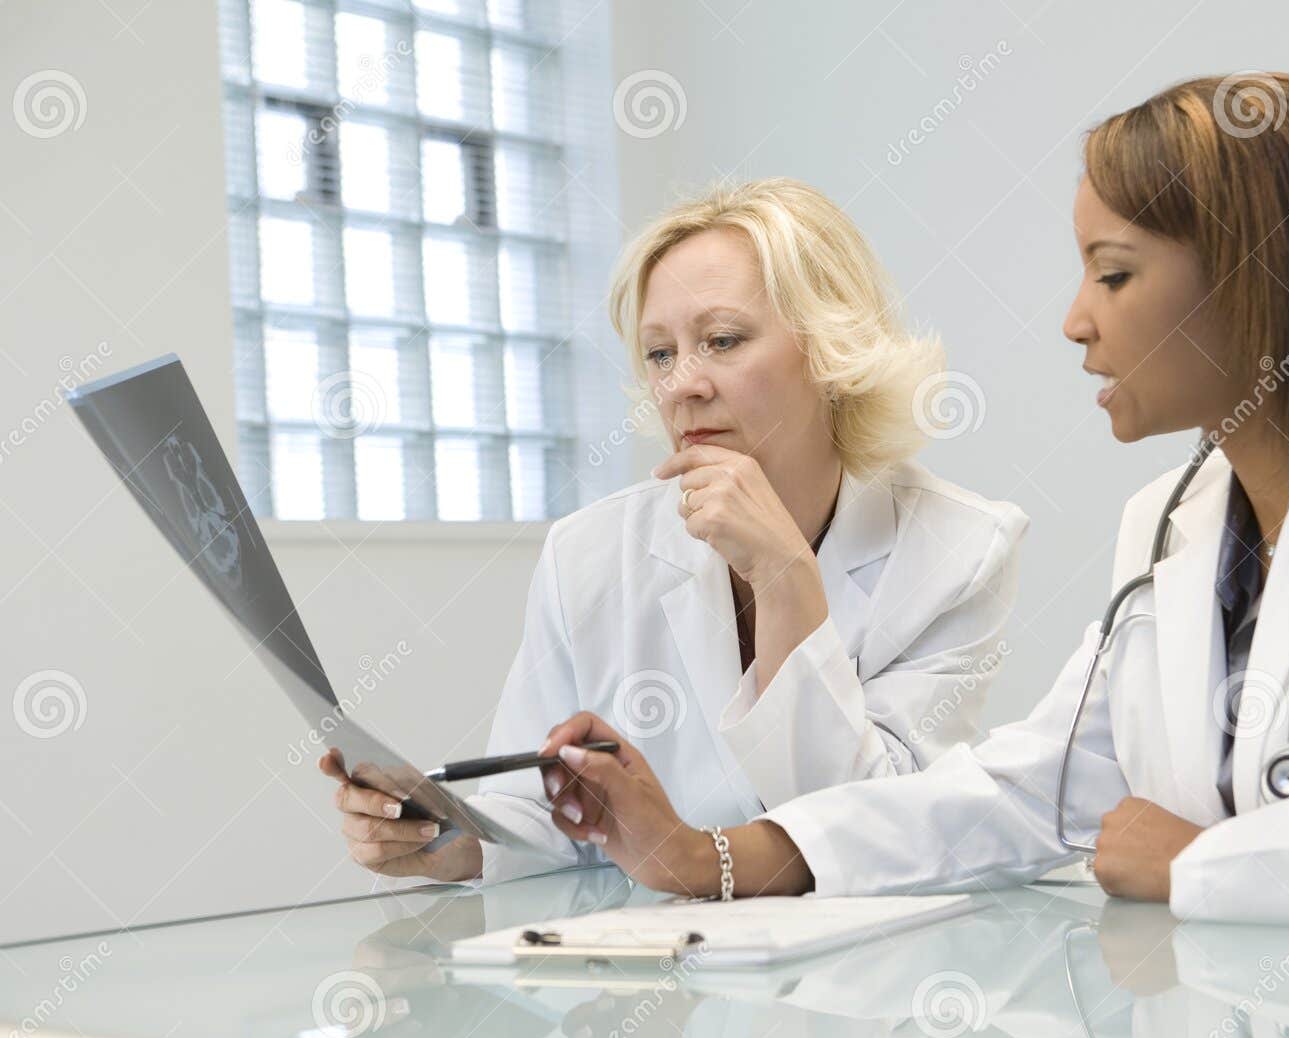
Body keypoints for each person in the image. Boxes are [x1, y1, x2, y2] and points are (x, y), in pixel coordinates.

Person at [528, 75, 1289, 930]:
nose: (1074, 321)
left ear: (1256, 278)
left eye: (1113, 273)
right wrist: (702, 857)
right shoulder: (1171, 527)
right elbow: (1016, 791)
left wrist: (1196, 862)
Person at [321, 178, 1028, 884]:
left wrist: (785, 575)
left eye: (721, 340)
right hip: (663, 974)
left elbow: (877, 828)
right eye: (661, 354)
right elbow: (543, 808)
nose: (680, 385)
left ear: (830, 350)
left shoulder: (959, 550)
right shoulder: (588, 552)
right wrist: (453, 837)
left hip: (864, 977)